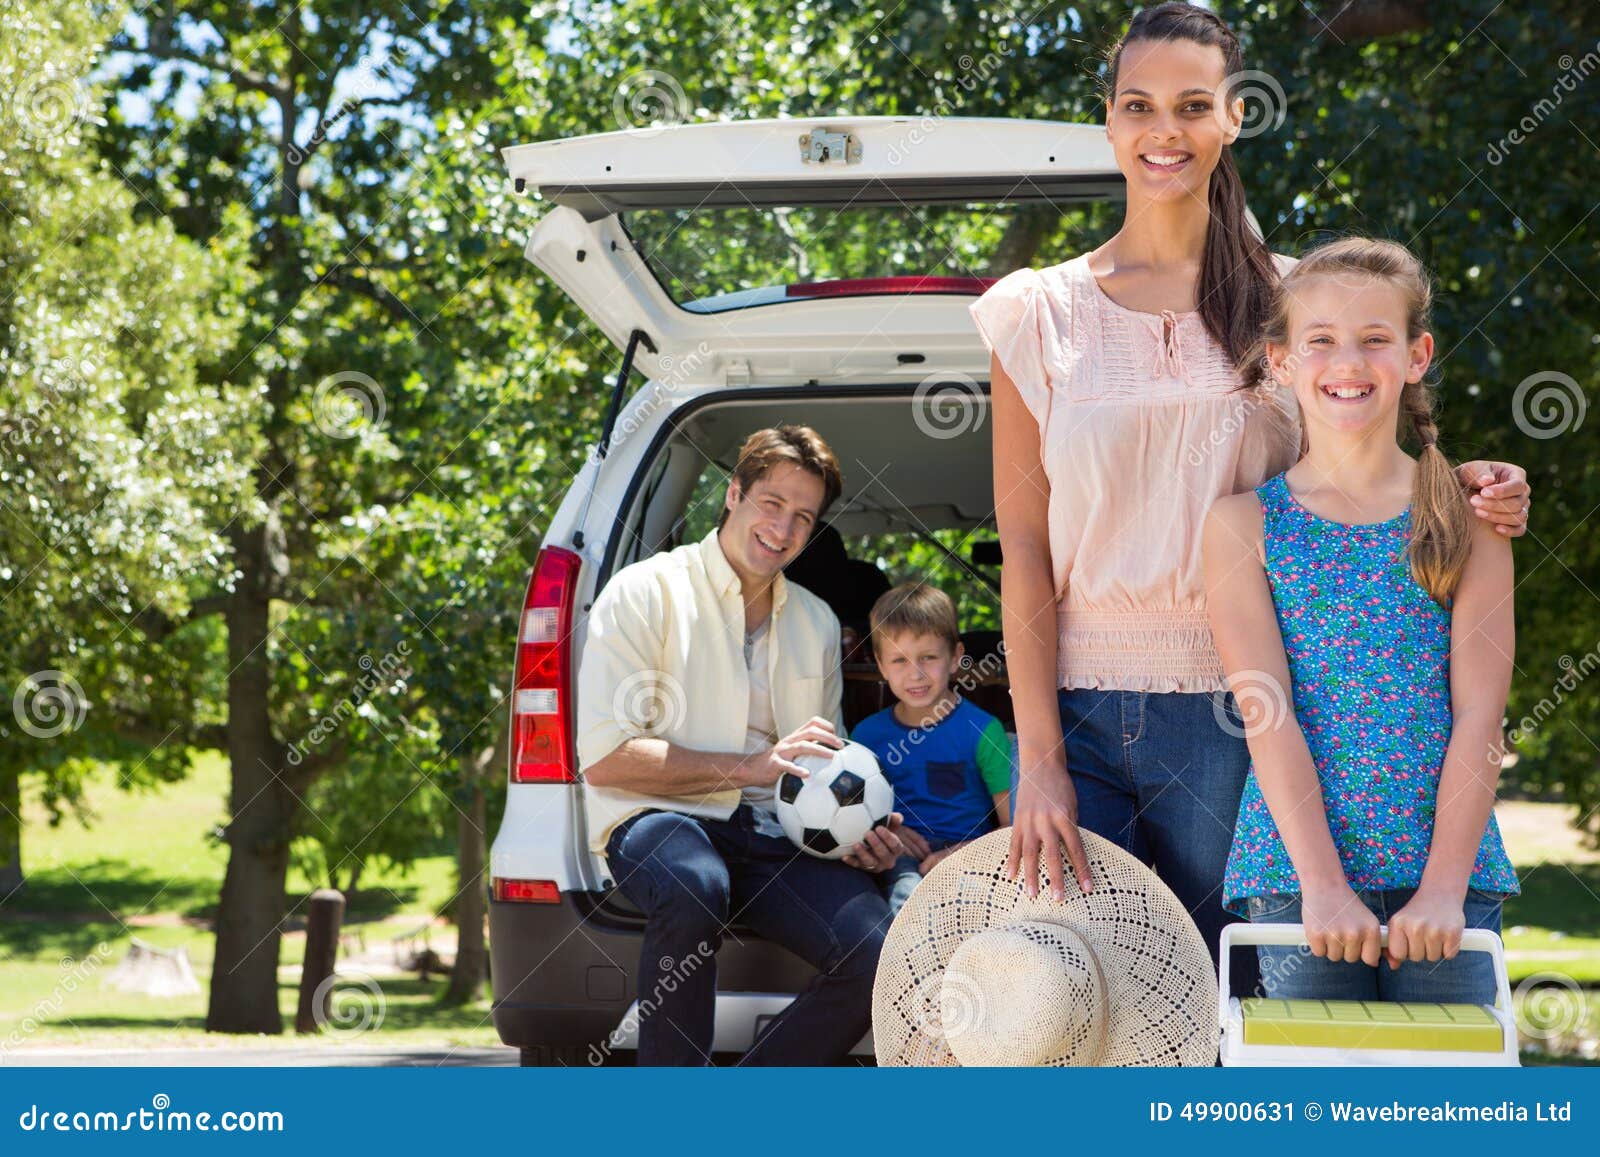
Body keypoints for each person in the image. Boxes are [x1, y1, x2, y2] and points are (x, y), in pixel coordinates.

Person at [970, 2, 1531, 990]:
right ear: (1107, 120)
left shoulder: (1282, 302)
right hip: (1077, 714)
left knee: (1223, 1005)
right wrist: (1040, 755)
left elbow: (1357, 454)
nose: (1163, 129)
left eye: (1193, 105)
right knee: (1083, 1000)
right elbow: (1023, 547)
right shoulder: (1035, 311)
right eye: (1138, 104)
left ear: (1232, 118)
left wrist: (1474, 480)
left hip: (1239, 711)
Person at [1203, 237, 1520, 1004]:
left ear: (1417, 354)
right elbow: (1264, 711)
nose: (1348, 362)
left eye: (1375, 339)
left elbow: (1482, 714)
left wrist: (1444, 886)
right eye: (1321, 341)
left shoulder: (1469, 517)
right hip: (1297, 878)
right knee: (1315, 1108)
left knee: (1452, 1108)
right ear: (1281, 360)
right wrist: (1323, 884)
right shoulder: (1240, 524)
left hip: (1449, 876)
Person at [574, 424, 916, 1066]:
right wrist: (750, 766)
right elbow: (606, 759)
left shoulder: (815, 621)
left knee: (879, 957)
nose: (784, 530)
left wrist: (858, 835)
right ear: (734, 493)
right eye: (772, 504)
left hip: (774, 834)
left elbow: (820, 769)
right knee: (693, 883)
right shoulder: (645, 593)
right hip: (657, 818)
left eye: (803, 517)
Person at [850, 583, 1013, 914]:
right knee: (906, 898)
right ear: (880, 665)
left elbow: (1013, 827)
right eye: (899, 660)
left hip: (970, 858)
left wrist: (958, 855)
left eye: (929, 657)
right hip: (897, 859)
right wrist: (892, 832)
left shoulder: (984, 731)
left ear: (955, 658)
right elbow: (856, 818)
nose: (916, 673)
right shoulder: (867, 735)